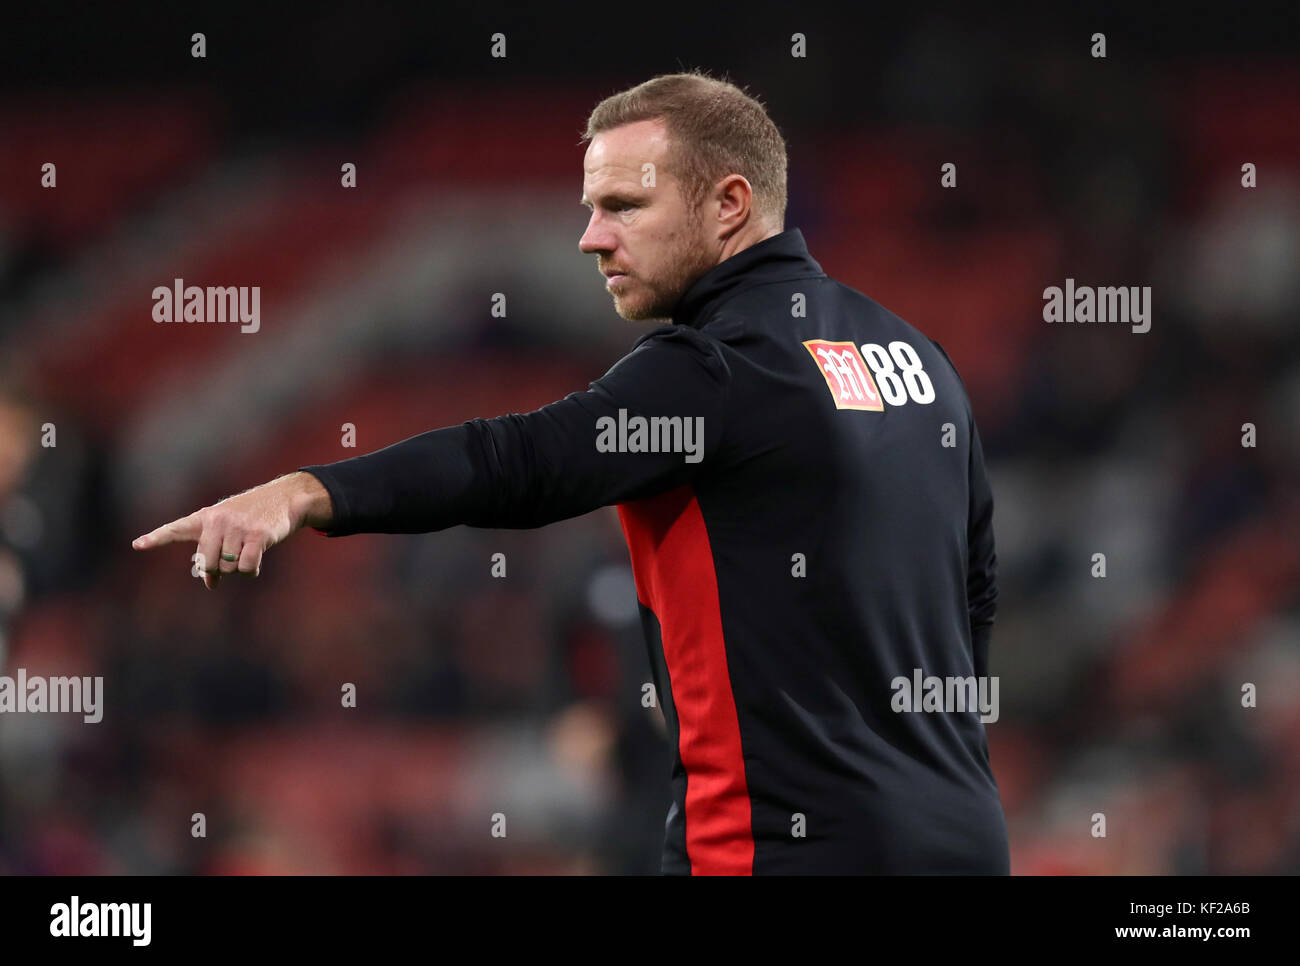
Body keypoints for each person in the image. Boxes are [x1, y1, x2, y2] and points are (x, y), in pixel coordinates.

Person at [133, 70, 1009, 875]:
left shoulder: (718, 364)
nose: (592, 239)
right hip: (963, 838)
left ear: (730, 204)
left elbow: (519, 461)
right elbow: (972, 602)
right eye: (591, 208)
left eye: (624, 205)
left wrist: (309, 491)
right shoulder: (922, 362)